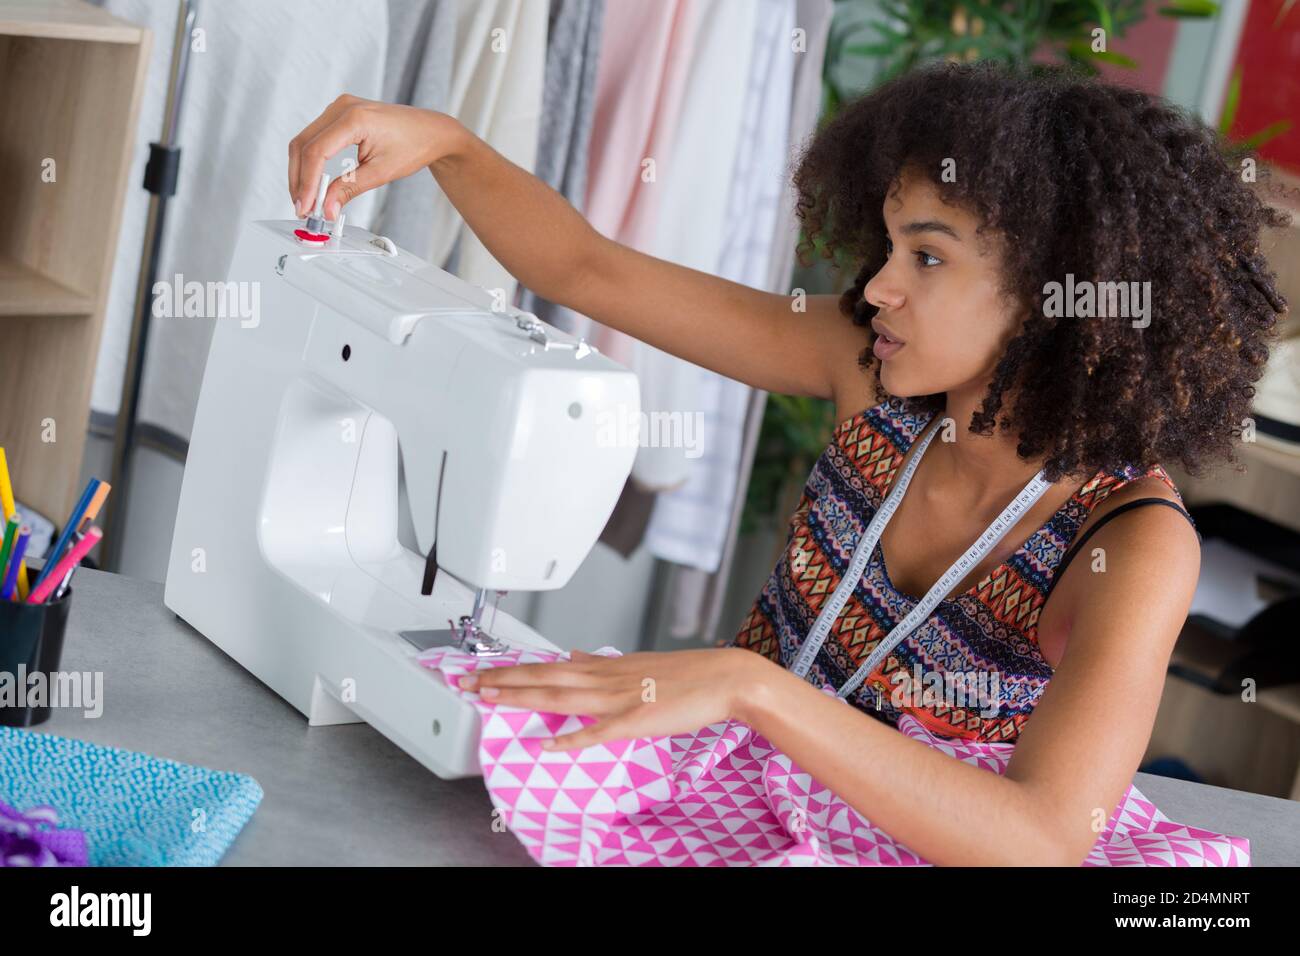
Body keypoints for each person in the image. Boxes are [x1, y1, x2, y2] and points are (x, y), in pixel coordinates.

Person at [287, 61, 1290, 865]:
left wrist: (753, 687)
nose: (880, 286)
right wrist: (448, 145)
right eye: (890, 245)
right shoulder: (866, 371)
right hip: (735, 786)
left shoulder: (1130, 541)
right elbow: (585, 269)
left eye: (927, 258)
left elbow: (1036, 837)